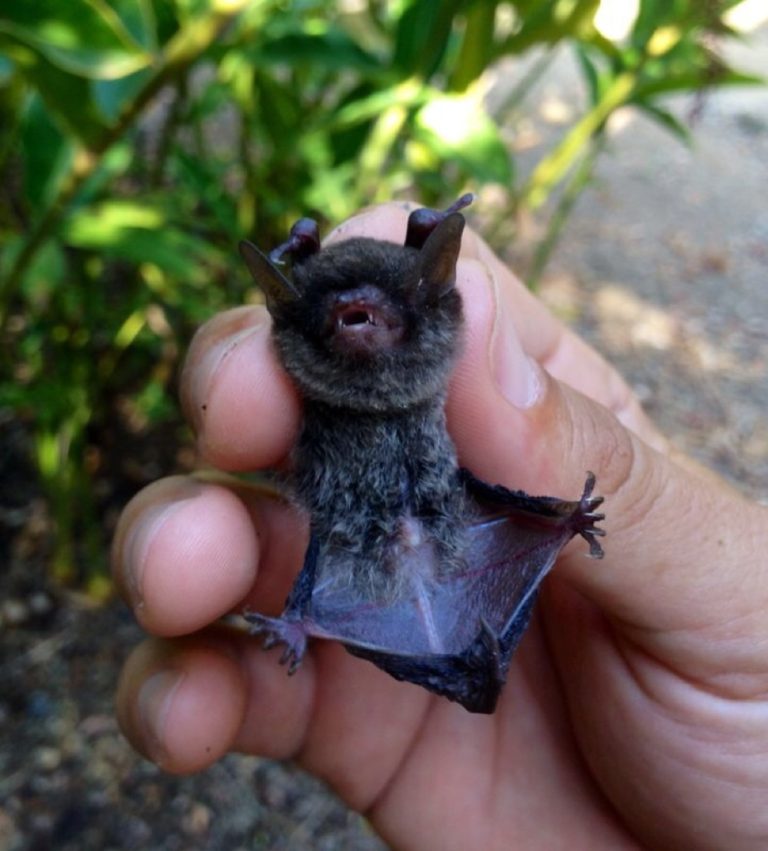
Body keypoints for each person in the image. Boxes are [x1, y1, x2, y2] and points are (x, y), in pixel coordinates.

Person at [112, 203, 768, 850]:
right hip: (375, 525)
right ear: (302, 330)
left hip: (431, 522)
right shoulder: (308, 365)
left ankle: (327, 615)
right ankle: (317, 613)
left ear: (428, 312)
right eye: (338, 312)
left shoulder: (447, 349)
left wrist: (557, 516)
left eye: (376, 310)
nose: (359, 320)